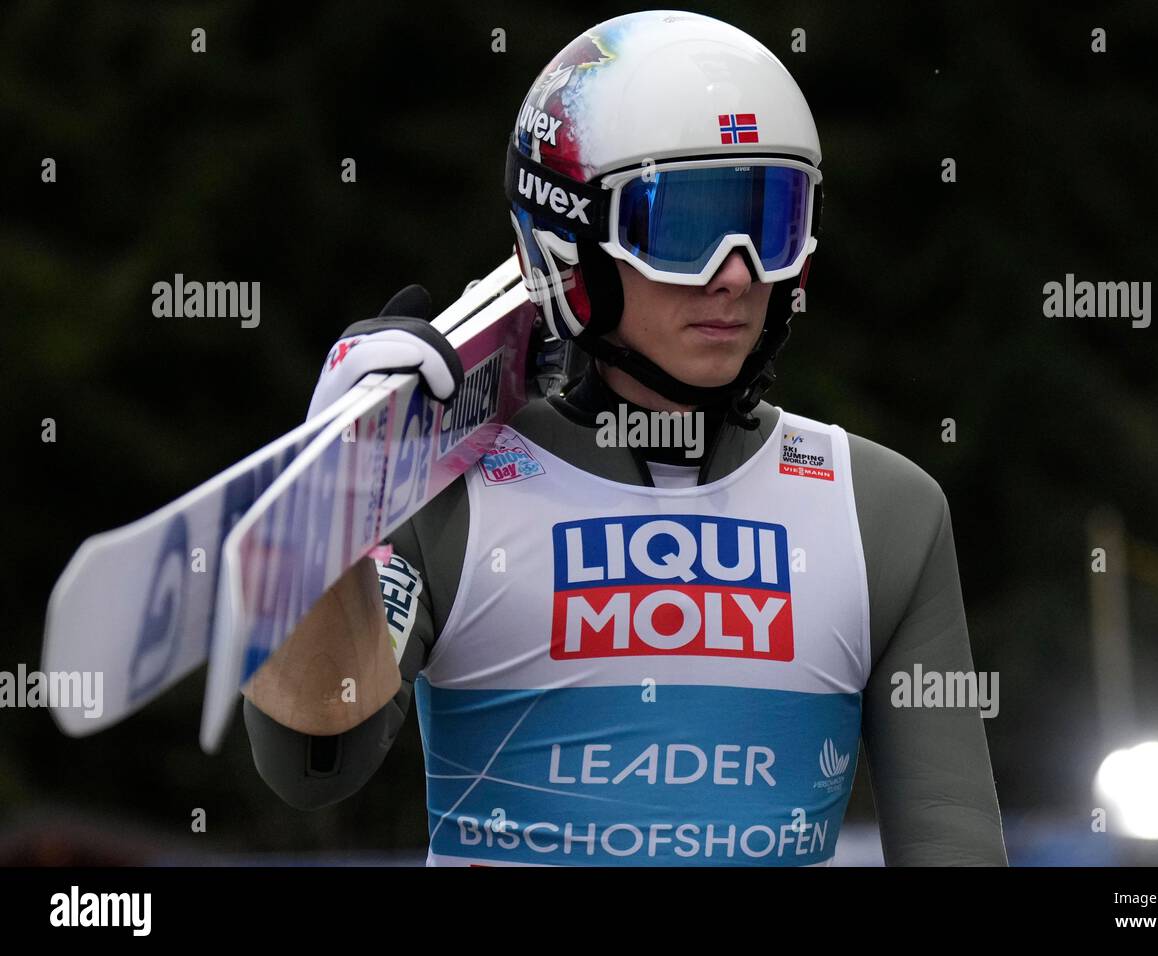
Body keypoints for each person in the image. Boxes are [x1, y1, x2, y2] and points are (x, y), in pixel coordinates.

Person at [243, 10, 1008, 867]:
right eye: (686, 227)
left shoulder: (885, 512)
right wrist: (329, 504)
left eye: (770, 220)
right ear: (571, 241)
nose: (735, 273)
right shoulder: (456, 489)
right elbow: (312, 764)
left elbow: (955, 843)